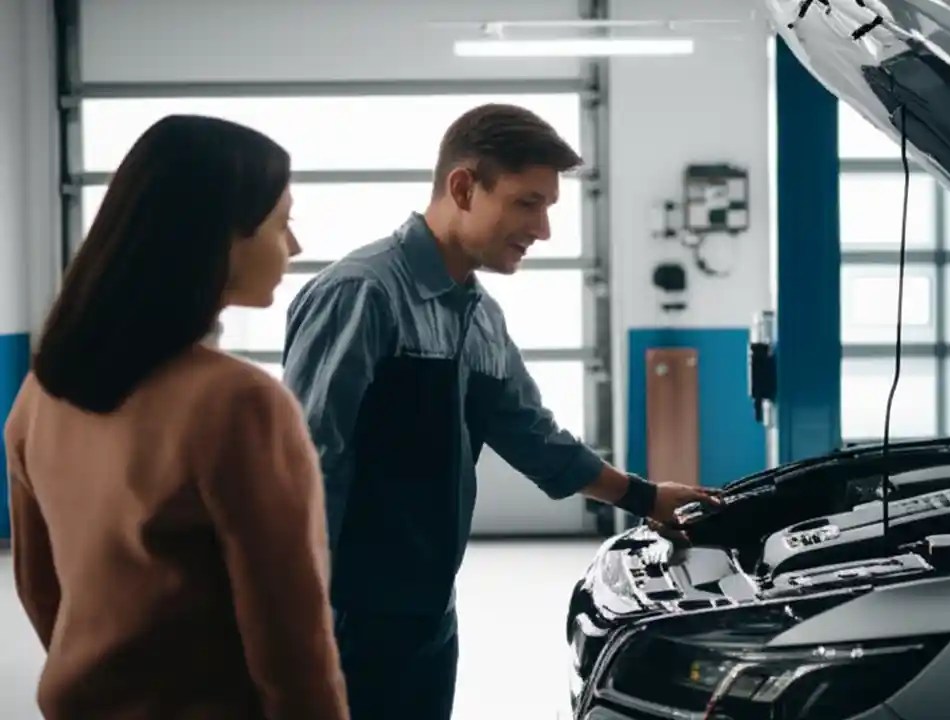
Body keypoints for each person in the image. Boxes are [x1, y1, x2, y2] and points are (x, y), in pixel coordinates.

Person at [281, 103, 719, 719]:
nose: (542, 229)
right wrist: (298, 621)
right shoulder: (363, 294)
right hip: (344, 614)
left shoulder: (480, 318)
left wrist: (647, 499)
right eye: (527, 202)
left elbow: (532, 437)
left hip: (428, 611)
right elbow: (309, 461)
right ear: (463, 187)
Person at [3, 114, 349, 720]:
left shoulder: (42, 392)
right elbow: (290, 645)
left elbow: (41, 589)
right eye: (280, 223)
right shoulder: (239, 404)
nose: (293, 247)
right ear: (217, 239)